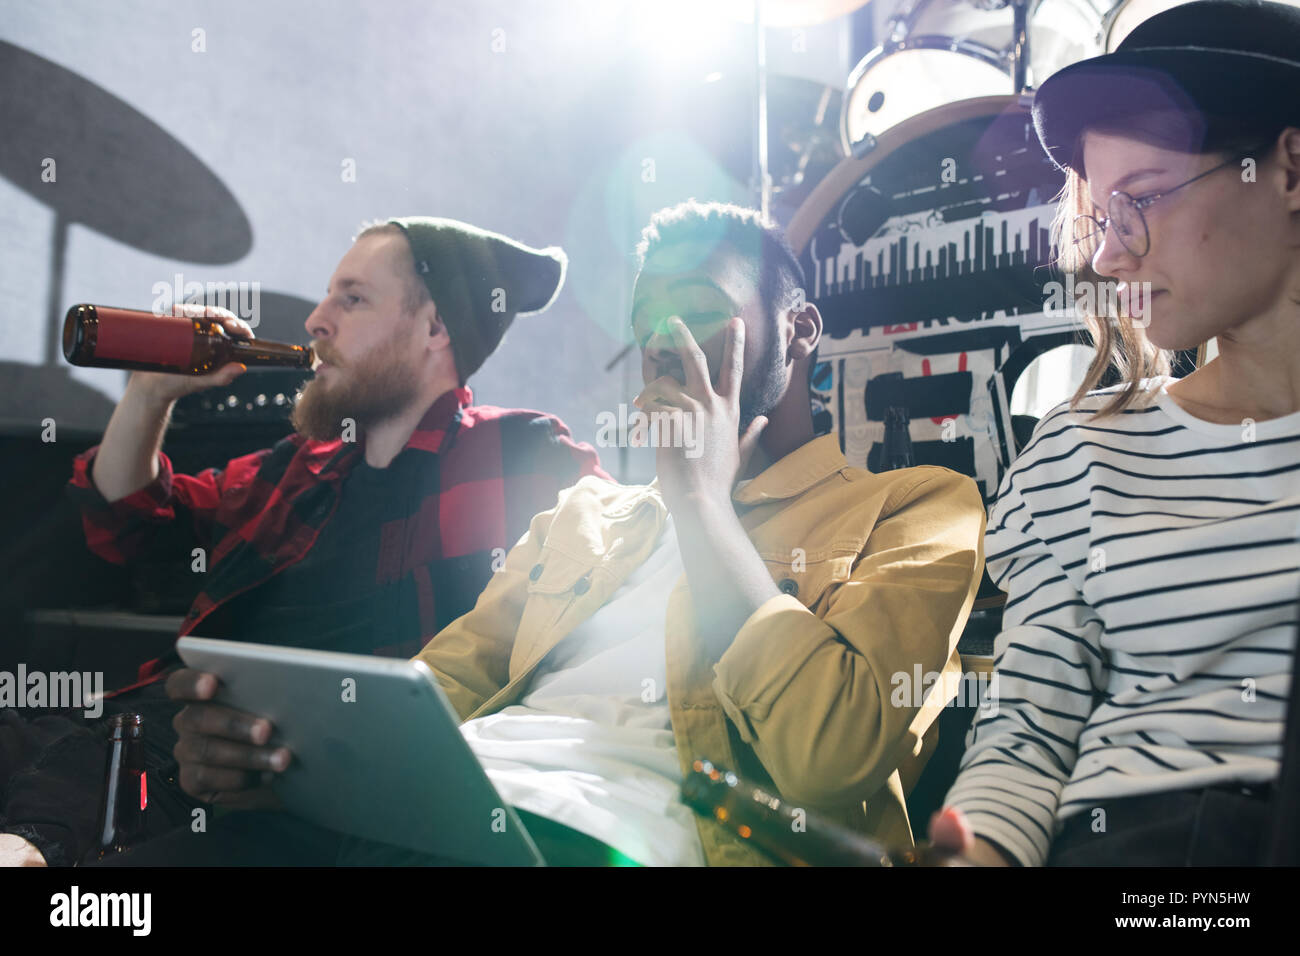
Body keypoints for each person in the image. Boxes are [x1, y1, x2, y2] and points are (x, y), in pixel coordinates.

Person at [99, 199, 988, 867]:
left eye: (699, 309)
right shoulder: (589, 515)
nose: (666, 342)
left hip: (605, 839)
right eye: (647, 322)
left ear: (798, 333)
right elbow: (432, 693)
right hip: (432, 812)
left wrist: (704, 503)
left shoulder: (914, 507)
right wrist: (275, 755)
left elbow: (830, 758)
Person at [0, 217, 607, 866]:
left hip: (277, 800)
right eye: (326, 296)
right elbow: (130, 520)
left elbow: (604, 612)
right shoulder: (298, 465)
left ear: (435, 329)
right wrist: (151, 395)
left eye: (352, 298)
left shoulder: (519, 455)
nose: (316, 320)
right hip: (144, 737)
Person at [929, 0, 1300, 866]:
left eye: (1145, 199)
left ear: (1288, 169)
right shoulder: (1080, 453)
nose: (1107, 256)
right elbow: (1025, 739)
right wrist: (971, 854)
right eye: (1101, 217)